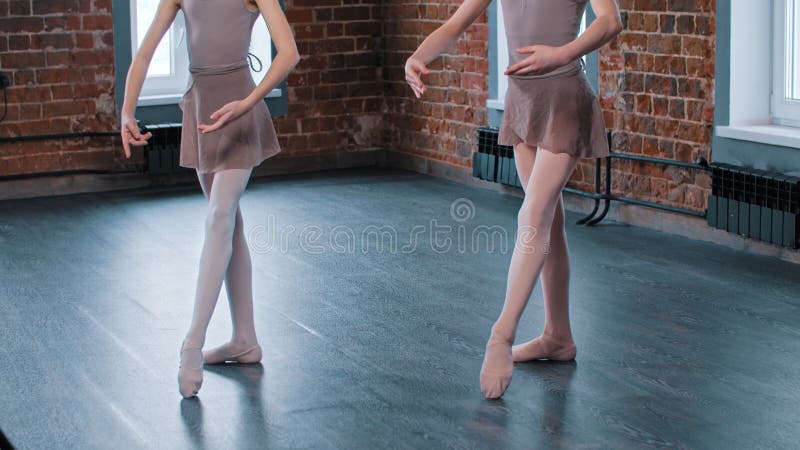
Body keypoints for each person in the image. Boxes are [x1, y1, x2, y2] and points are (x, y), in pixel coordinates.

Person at [405, 0, 622, 399]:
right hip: (522, 100)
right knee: (548, 223)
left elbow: (610, 21)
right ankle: (558, 336)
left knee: (534, 215)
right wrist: (417, 57)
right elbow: (455, 25)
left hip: (564, 97)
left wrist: (560, 53)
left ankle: (500, 336)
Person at [119, 0, 299, 398]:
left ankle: (192, 343)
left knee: (219, 216)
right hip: (201, 109)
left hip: (238, 112)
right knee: (229, 225)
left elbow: (289, 53)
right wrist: (127, 111)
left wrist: (249, 104)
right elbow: (147, 49)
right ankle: (244, 339)